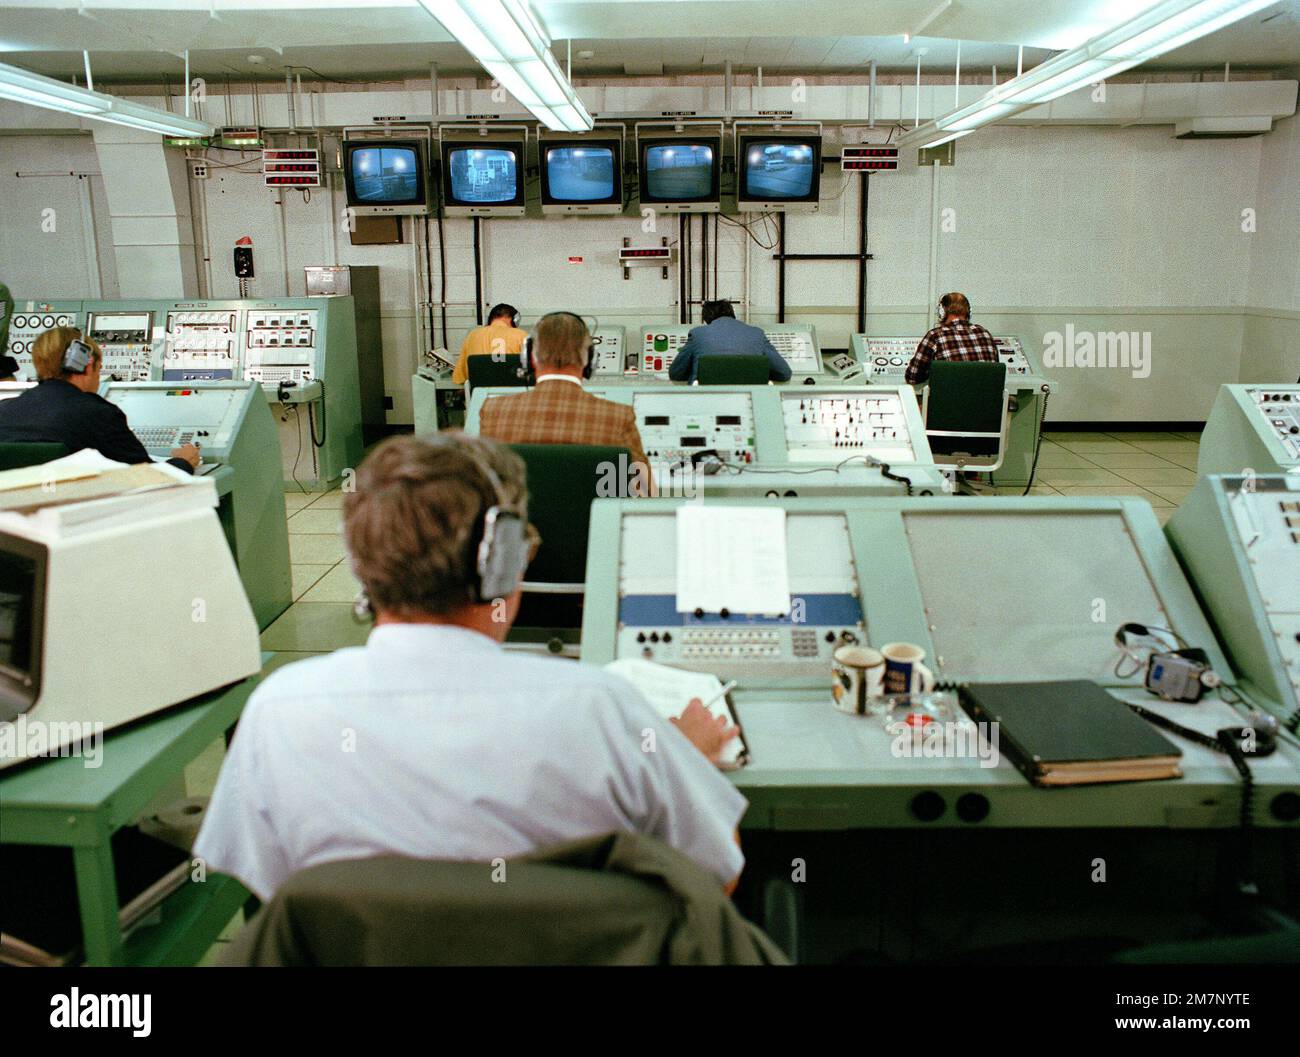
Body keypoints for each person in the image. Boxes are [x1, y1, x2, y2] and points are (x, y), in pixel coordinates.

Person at [193, 433, 745, 901]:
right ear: (504, 557)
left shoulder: (277, 711)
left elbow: (275, 894)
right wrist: (689, 761)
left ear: (361, 565)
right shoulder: (600, 710)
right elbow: (714, 880)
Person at [478, 310, 653, 496]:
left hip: (520, 525)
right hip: (595, 525)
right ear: (590, 360)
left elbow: (487, 489)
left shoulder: (494, 411)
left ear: (529, 359)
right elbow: (645, 493)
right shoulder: (619, 417)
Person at [0, 326, 199, 473]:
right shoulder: (97, 414)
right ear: (88, 364)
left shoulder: (4, 410)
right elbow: (148, 481)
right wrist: (183, 463)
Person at [668, 300, 792, 383]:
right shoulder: (757, 333)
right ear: (732, 314)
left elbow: (675, 373)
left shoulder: (698, 334)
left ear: (706, 319)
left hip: (705, 401)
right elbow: (784, 373)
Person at [905, 291, 1000, 385]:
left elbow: (912, 377)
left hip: (949, 399)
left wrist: (935, 373)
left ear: (941, 312)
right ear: (969, 312)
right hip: (985, 399)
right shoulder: (985, 334)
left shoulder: (935, 336)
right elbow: (995, 373)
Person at [451, 302, 528, 385]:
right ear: (515, 320)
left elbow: (460, 378)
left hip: (479, 395)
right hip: (511, 394)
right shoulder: (521, 335)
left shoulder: (472, 336)